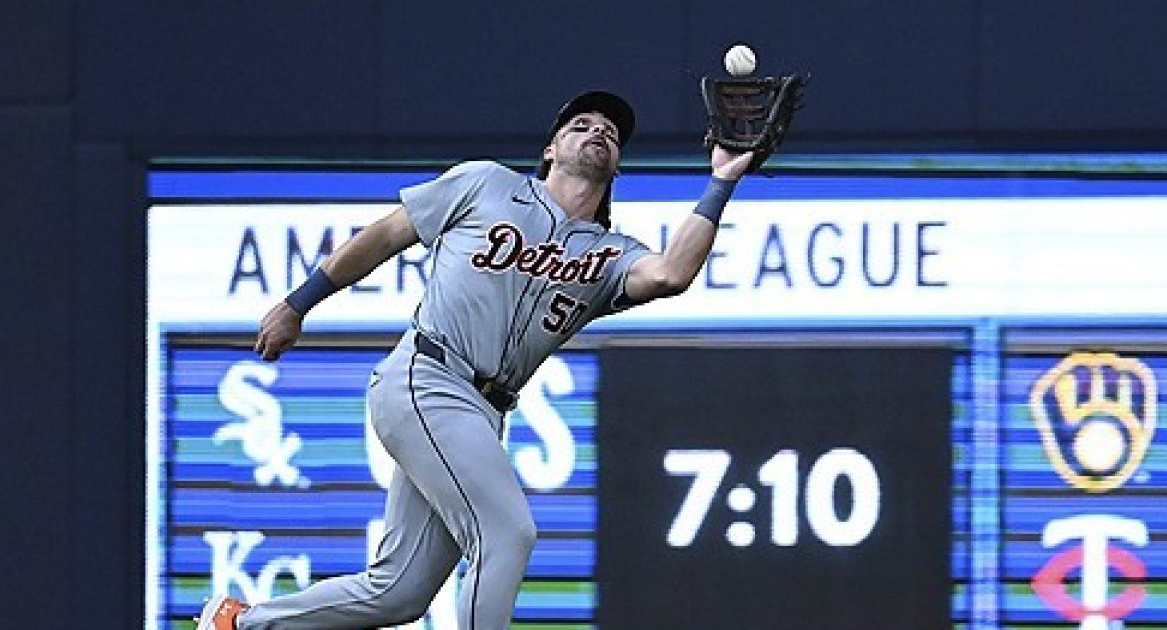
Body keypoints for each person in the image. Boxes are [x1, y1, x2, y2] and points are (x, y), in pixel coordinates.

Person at [197, 90, 756, 630]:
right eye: (581, 125)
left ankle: (241, 622)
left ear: (616, 171)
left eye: (610, 134)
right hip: (428, 374)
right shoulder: (486, 183)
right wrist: (299, 303)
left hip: (484, 412)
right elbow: (385, 236)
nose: (597, 133)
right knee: (508, 533)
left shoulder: (610, 256)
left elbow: (670, 273)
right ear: (550, 150)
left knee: (399, 590)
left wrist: (721, 180)